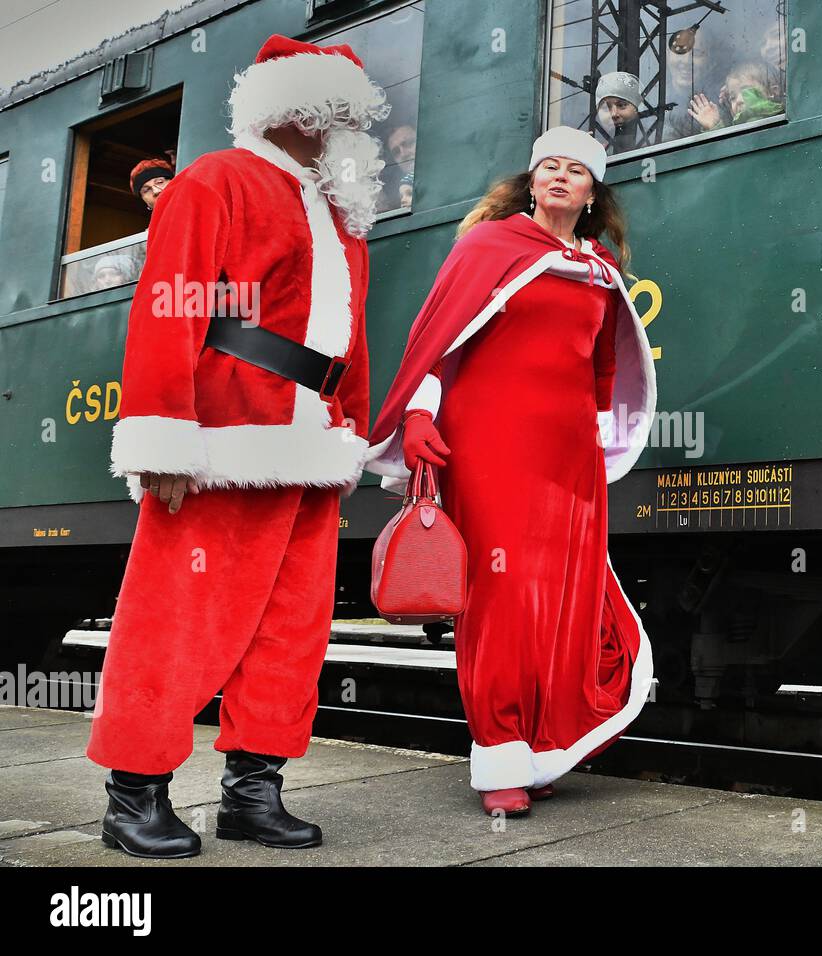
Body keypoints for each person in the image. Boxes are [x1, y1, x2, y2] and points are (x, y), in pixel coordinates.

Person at [85, 33, 389, 859]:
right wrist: (162, 435)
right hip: (225, 437)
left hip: (312, 446)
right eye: (331, 111)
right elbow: (169, 304)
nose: (340, 128)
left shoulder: (341, 218)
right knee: (178, 621)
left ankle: (254, 795)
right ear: (291, 107)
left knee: (292, 632)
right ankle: (133, 795)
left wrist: (351, 434)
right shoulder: (216, 180)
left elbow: (349, 347)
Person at [364, 126, 657, 817]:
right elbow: (436, 342)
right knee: (499, 601)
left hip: (567, 457)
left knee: (560, 599)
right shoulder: (486, 248)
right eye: (548, 167)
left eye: (575, 171)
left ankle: (541, 744)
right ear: (530, 182)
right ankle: (498, 749)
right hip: (489, 444)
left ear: (592, 193)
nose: (560, 177)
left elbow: (606, 368)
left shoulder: (599, 271)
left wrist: (597, 437)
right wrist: (418, 417)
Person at [594, 71, 645, 154]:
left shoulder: (658, 142)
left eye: (621, 105)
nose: (614, 114)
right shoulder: (591, 151)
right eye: (605, 108)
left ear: (636, 109)